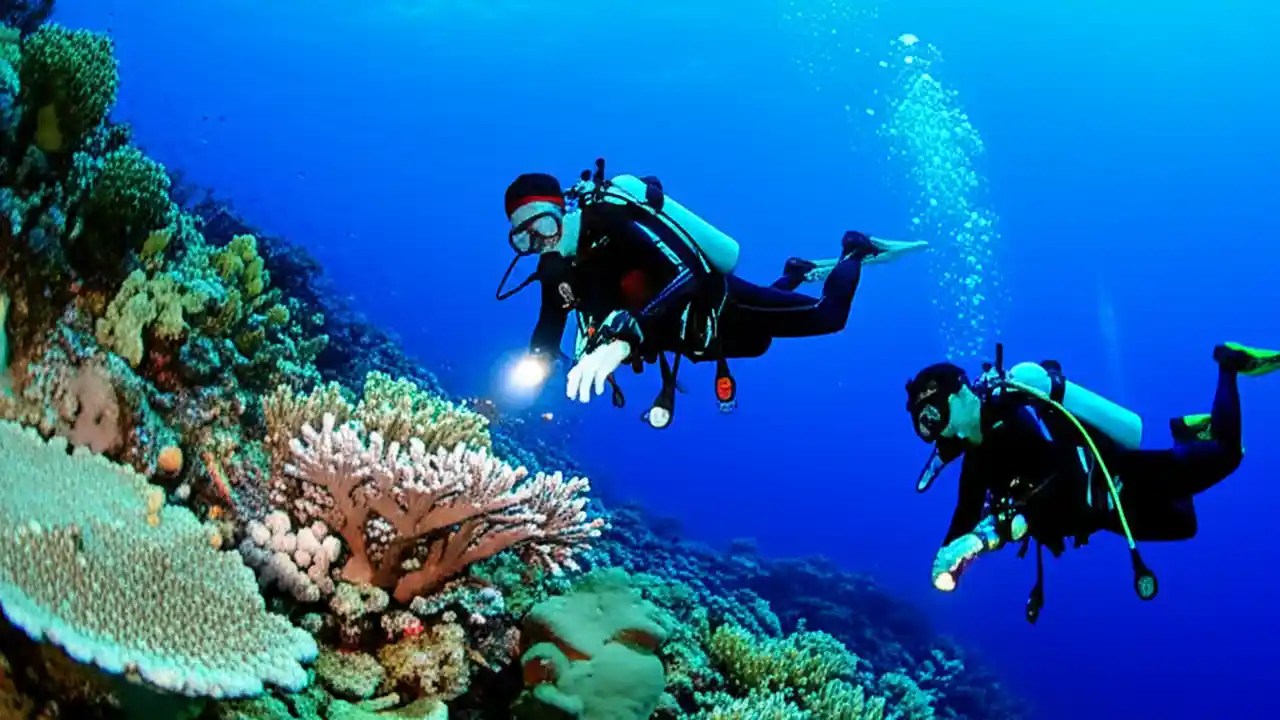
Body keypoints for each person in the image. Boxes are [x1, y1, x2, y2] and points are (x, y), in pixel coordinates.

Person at [497, 159, 927, 428]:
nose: (540, 241)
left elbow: (690, 273)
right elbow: (548, 328)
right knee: (762, 341)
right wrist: (533, 372)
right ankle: (793, 272)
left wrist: (624, 340)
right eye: (524, 237)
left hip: (721, 304)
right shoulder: (554, 273)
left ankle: (854, 248)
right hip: (695, 340)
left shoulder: (609, 223)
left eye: (544, 224)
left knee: (829, 317)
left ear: (562, 208)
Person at [902, 341, 1280, 622]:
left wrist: (992, 532)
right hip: (1098, 515)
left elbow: (1050, 481)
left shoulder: (1008, 416)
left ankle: (1227, 364)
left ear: (960, 391)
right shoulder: (976, 460)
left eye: (936, 414)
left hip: (1116, 478)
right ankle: (1183, 432)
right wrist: (946, 559)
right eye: (927, 426)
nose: (939, 429)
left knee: (1228, 454)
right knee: (1185, 523)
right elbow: (965, 510)